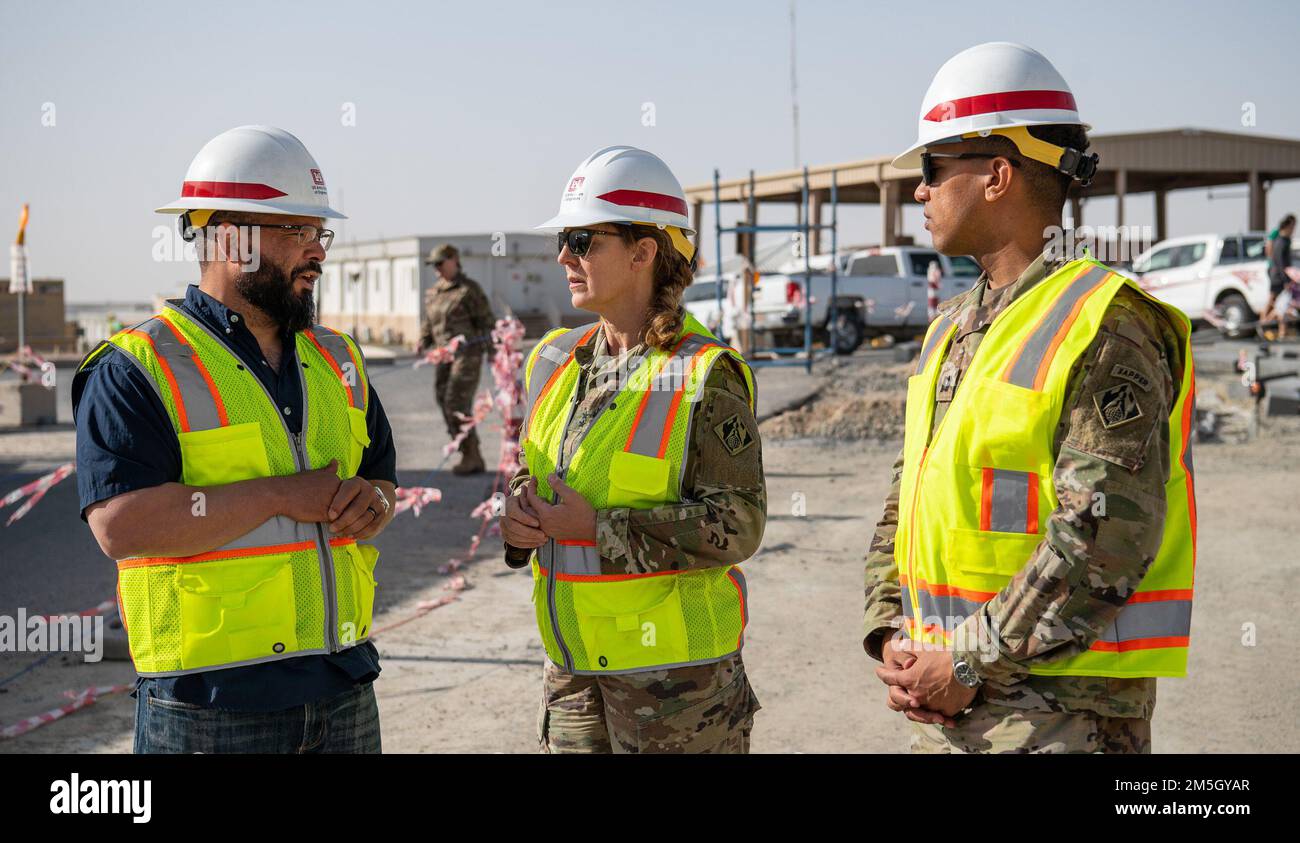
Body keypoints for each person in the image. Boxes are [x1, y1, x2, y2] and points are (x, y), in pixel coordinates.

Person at [862, 43, 1197, 753]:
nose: (919, 191)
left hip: (1058, 720)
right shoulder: (952, 327)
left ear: (998, 175)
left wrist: (966, 657)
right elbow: (909, 494)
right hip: (950, 705)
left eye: (931, 168)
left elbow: (1102, 532)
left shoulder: (1103, 322)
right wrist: (893, 631)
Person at [74, 125, 397, 754]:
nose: (318, 252)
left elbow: (380, 479)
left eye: (318, 233)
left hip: (344, 684)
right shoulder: (136, 365)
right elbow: (121, 526)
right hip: (211, 707)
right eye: (297, 231)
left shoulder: (337, 358)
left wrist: (373, 505)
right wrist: (282, 495)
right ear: (229, 236)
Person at [501, 145, 765, 753]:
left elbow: (739, 525)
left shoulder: (703, 373)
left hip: (676, 684)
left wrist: (596, 528)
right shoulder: (554, 361)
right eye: (563, 240)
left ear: (644, 251)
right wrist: (516, 516)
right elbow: (532, 474)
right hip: (572, 671)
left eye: (584, 240)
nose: (564, 255)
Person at [418, 243, 495, 475]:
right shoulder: (434, 293)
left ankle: (471, 455)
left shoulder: (468, 290)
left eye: (441, 264)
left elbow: (487, 323)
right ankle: (469, 453)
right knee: (443, 400)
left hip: (467, 355)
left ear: (454, 260)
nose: (437, 270)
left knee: (456, 403)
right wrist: (423, 340)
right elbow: (429, 323)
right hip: (443, 355)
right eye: (434, 266)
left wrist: (492, 352)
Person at [1262, 214, 1295, 336]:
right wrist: (1286, 279)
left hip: (1277, 274)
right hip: (1278, 276)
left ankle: (1280, 330)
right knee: (1278, 302)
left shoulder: (1282, 239)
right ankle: (1264, 323)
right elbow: (1280, 262)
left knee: (1279, 303)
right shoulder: (1281, 240)